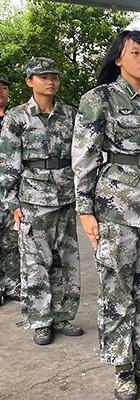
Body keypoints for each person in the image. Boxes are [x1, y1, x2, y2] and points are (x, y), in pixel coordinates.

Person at [73, 30, 140, 400]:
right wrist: (85, 209)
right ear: (118, 59)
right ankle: (122, 367)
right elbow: (85, 159)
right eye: (135, 53)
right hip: (117, 204)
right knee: (116, 284)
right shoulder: (98, 100)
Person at [0, 58, 82, 346]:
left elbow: (81, 158)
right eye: (43, 76)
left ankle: (62, 315)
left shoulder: (70, 115)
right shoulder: (17, 118)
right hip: (33, 200)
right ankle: (40, 320)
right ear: (29, 81)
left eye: (54, 76)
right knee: (35, 262)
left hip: (66, 197)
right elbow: (8, 163)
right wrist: (12, 202)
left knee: (66, 260)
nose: (50, 81)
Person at [0, 74, 20, 306]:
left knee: (12, 239)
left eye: (5, 88)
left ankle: (13, 284)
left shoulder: (15, 119)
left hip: (10, 188)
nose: (1, 91)